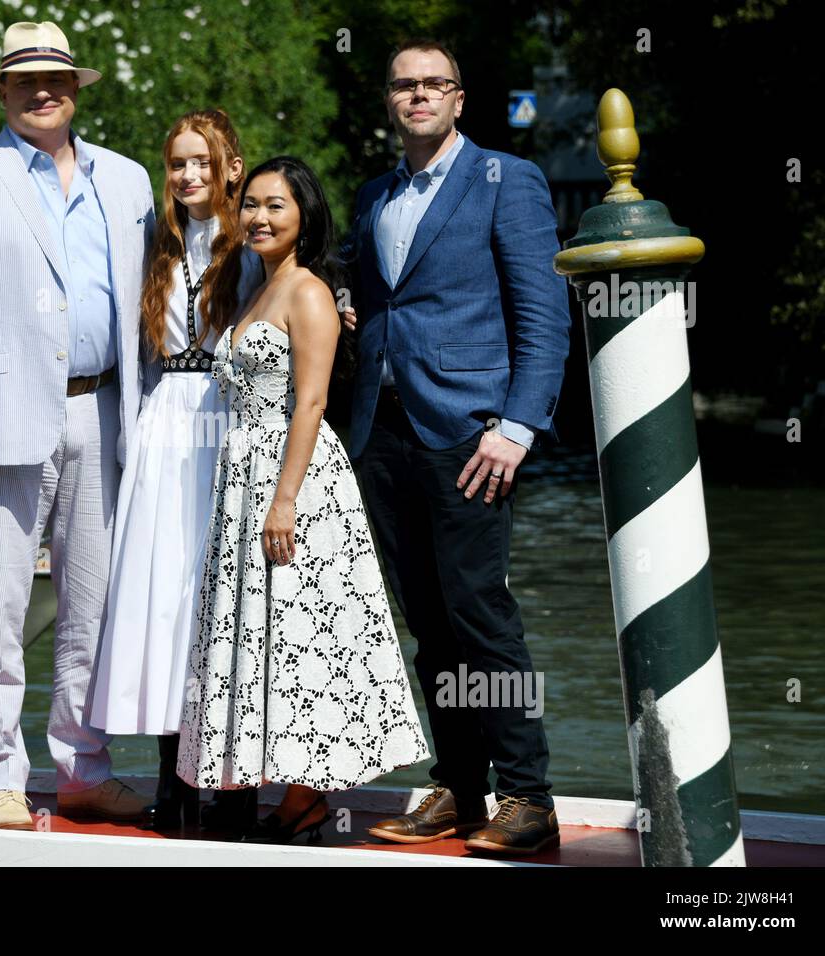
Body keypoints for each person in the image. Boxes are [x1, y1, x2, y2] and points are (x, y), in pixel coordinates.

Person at [0, 22, 155, 830]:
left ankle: (84, 767)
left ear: (76, 87)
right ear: (2, 90)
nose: (41, 89)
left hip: (107, 406)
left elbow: (163, 295)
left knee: (94, 605)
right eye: (24, 79)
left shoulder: (127, 180)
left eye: (55, 77)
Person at [345, 39, 570, 855]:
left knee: (484, 617)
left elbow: (544, 317)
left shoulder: (507, 182)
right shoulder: (376, 195)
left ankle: (529, 796)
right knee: (430, 625)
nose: (418, 96)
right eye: (404, 85)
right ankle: (459, 785)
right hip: (385, 432)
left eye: (433, 84)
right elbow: (372, 299)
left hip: (473, 436)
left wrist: (517, 429)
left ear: (459, 98)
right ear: (391, 99)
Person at [176, 156, 429, 844]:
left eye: (275, 206)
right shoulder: (254, 287)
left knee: (302, 629)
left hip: (296, 479)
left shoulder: (309, 292)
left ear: (304, 217)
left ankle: (311, 794)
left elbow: (312, 400)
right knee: (266, 630)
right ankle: (276, 781)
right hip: (242, 474)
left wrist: (284, 500)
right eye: (251, 204)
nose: (258, 217)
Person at [85, 109, 263, 832]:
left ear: (230, 166)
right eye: (177, 164)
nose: (188, 175)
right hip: (165, 427)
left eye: (201, 161)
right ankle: (176, 781)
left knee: (223, 601)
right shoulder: (158, 246)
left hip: (228, 420)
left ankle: (235, 789)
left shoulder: (251, 242)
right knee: (166, 603)